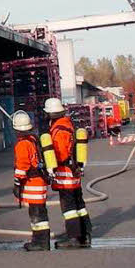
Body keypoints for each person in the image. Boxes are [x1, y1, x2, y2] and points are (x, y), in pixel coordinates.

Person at [43, 98, 91, 249]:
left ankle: (73, 238)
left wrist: (49, 163)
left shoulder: (58, 130)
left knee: (69, 208)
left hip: (65, 174)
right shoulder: (68, 125)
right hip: (74, 172)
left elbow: (61, 154)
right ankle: (85, 235)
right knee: (80, 205)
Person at [12, 110, 50, 251]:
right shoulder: (33, 139)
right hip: (39, 181)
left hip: (32, 183)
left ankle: (39, 242)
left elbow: (22, 166)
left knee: (36, 214)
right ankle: (42, 241)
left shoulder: (22, 144)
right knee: (40, 213)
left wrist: (17, 183)